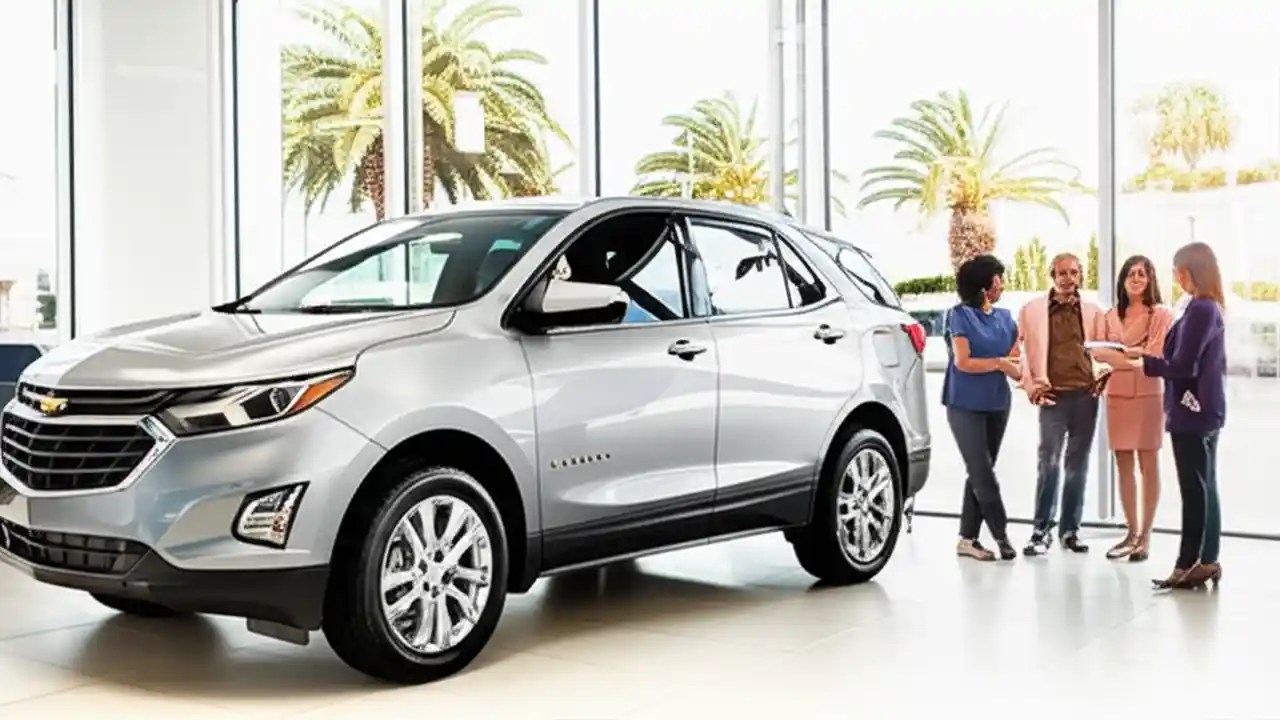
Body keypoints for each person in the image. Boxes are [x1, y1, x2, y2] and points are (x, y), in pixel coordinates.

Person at [1138, 242, 1227, 590]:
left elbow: (1182, 365)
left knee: (1194, 489)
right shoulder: (1207, 307)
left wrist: (1140, 362)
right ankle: (1207, 561)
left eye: (1176, 270)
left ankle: (1186, 564)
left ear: (1186, 271)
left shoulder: (1201, 308)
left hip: (1193, 411)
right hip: (1207, 410)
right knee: (1206, 487)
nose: (1175, 277)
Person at [1017, 253, 1107, 556]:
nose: (1068, 278)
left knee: (1077, 467)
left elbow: (1106, 352)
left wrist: (1103, 376)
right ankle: (1040, 532)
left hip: (1085, 397)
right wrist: (1031, 388)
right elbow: (1020, 355)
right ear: (1052, 276)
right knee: (1049, 464)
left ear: (1080, 275)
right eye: (1062, 273)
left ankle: (1070, 531)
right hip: (1052, 397)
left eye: (1073, 272)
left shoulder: (1094, 312)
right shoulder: (1032, 311)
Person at [1092, 256, 1172, 562]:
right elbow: (1098, 352)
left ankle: (1146, 536)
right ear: (1123, 279)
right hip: (1117, 395)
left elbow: (1157, 351)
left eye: (1143, 274)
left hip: (1150, 394)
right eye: (1131, 273)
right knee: (1123, 462)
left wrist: (1120, 354)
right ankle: (1131, 531)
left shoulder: (1160, 313)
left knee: (1148, 463)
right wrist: (1131, 357)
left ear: (1151, 280)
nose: (1136, 278)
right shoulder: (1110, 315)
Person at [942, 255, 1021, 562]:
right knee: (982, 473)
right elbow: (963, 362)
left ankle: (967, 539)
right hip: (964, 404)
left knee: (978, 473)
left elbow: (1018, 356)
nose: (1001, 283)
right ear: (984, 284)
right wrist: (1000, 363)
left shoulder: (1005, 318)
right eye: (998, 277)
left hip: (998, 403)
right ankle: (1001, 535)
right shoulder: (959, 316)